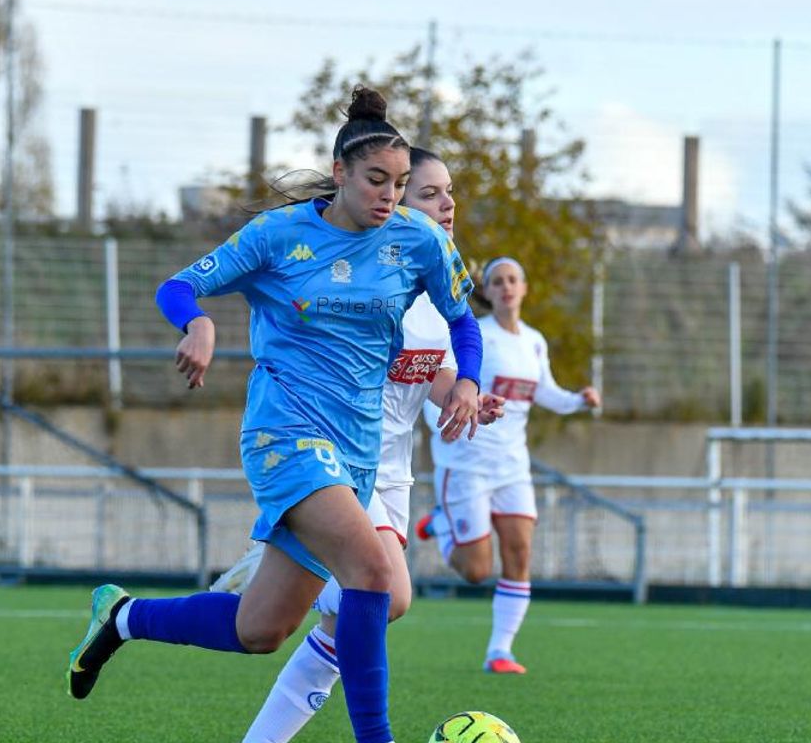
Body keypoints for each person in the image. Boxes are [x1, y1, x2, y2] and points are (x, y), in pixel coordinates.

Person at [65, 87, 482, 743]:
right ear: (340, 172)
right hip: (284, 434)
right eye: (377, 180)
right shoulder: (278, 236)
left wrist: (468, 384)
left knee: (258, 630)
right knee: (373, 575)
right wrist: (197, 321)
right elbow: (177, 285)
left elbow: (464, 322)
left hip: (357, 451)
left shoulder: (419, 241)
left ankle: (122, 617)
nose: (390, 197)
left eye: (401, 185)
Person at [234, 148, 504, 743]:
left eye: (447, 191)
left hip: (392, 473)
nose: (447, 203)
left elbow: (421, 371)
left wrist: (463, 392)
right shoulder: (373, 282)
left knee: (270, 627)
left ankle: (127, 619)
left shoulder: (434, 288)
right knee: (381, 592)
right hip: (337, 463)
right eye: (429, 194)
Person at [416, 256, 601, 674]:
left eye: (513, 279)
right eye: (497, 281)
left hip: (512, 465)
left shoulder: (535, 341)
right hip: (466, 461)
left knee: (519, 551)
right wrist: (445, 426)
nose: (506, 287)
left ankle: (500, 652)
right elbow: (441, 389)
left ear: (524, 287)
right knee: (476, 570)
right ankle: (442, 522)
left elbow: (545, 391)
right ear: (488, 290)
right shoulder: (473, 335)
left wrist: (577, 400)